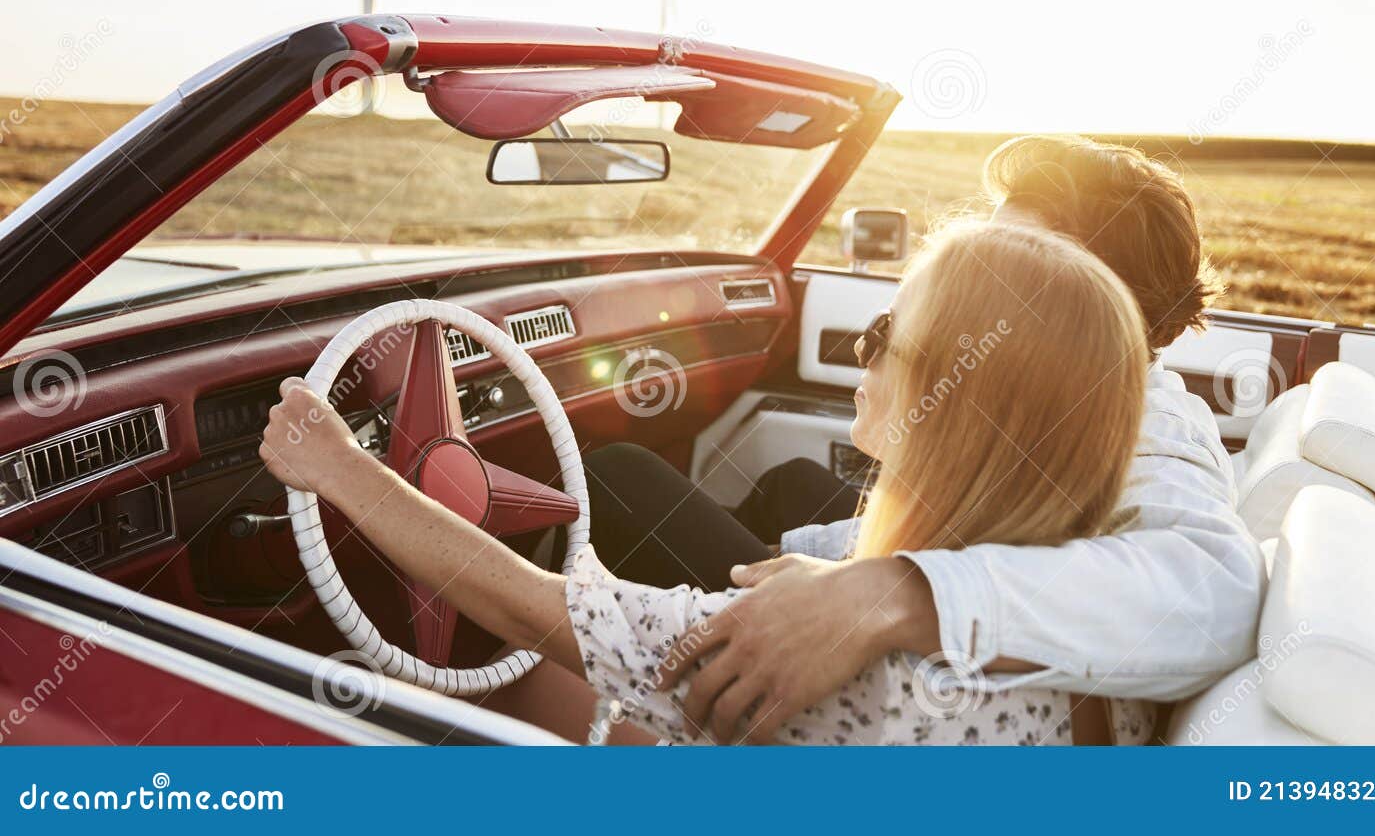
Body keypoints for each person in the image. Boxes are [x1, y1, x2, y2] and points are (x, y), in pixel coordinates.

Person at [259, 221, 1158, 745]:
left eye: (888, 332)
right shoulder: (1110, 627)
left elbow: (528, 607)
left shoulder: (853, 665)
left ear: (954, 407)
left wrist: (337, 465)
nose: (861, 350)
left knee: (440, 701)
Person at [584, 134, 1266, 742]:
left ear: (1085, 296)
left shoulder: (1158, 431)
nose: (974, 277)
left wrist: (893, 595)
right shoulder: (1079, 388)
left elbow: (1211, 598)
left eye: (1006, 265)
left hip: (908, 675)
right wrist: (812, 563)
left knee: (620, 479)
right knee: (793, 483)